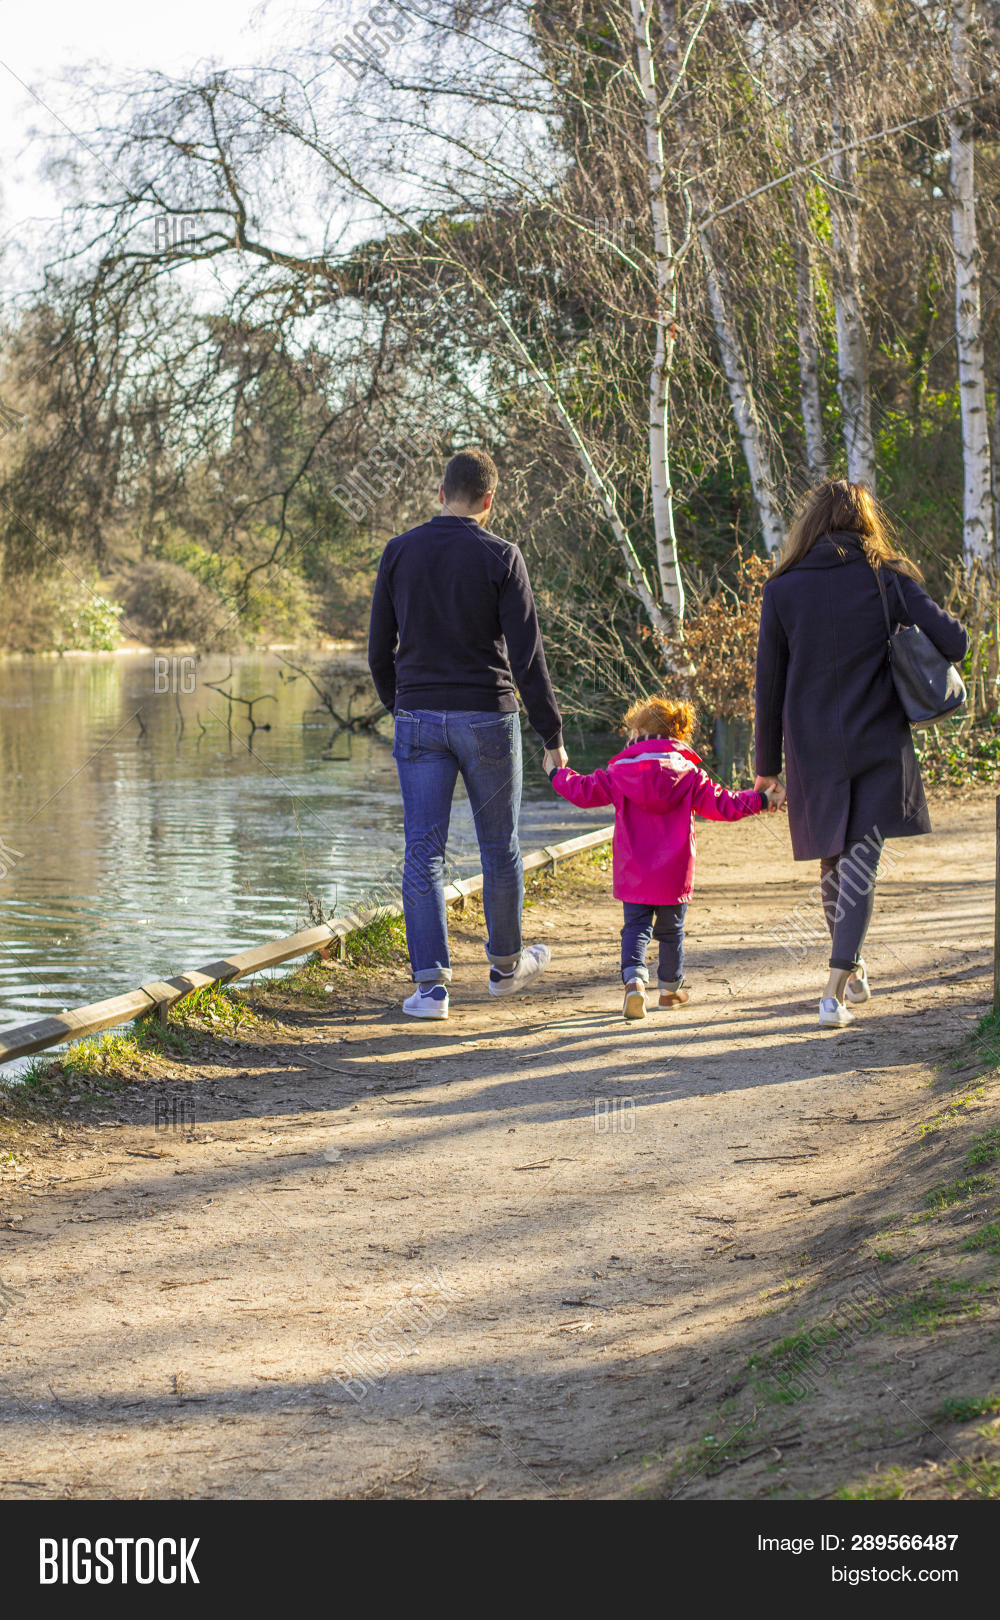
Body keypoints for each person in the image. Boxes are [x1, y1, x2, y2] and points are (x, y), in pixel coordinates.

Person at [754, 479, 968, 1029]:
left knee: (835, 858)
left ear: (813, 523)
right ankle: (834, 991)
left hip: (811, 746)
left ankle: (846, 975)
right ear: (864, 520)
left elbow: (768, 687)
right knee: (861, 863)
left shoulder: (782, 589)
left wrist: (766, 769)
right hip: (878, 737)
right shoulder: (885, 574)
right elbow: (956, 643)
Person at [368, 446, 568, 1019]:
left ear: (440, 493)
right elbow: (527, 659)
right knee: (498, 847)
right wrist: (551, 736)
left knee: (423, 852)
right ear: (489, 501)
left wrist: (401, 704)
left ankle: (431, 990)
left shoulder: (398, 552)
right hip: (488, 715)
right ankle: (506, 969)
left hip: (419, 717)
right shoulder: (503, 556)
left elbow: (379, 648)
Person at [547, 694, 784, 1020]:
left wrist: (556, 774)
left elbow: (583, 792)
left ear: (640, 732)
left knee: (635, 927)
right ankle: (669, 990)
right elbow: (724, 804)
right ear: (675, 735)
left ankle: (634, 984)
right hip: (674, 872)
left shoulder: (618, 772)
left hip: (634, 872)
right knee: (671, 932)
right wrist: (759, 799)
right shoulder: (689, 774)